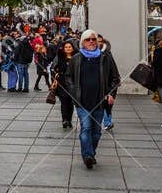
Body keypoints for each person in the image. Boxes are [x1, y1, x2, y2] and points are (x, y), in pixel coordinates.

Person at [70, 30, 120, 169]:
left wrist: (111, 94)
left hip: (100, 101)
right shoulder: (76, 58)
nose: (91, 41)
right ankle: (88, 156)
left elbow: (115, 78)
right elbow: (69, 77)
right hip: (82, 101)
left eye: (93, 39)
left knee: (96, 132)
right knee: (86, 128)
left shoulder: (106, 58)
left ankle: (91, 152)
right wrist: (73, 91)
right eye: (88, 39)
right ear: (82, 43)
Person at [51, 37, 79, 129]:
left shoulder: (76, 58)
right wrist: (56, 74)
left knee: (70, 102)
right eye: (66, 47)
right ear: (63, 48)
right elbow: (53, 68)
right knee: (64, 102)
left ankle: (69, 119)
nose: (68, 48)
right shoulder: (59, 57)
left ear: (73, 48)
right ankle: (64, 120)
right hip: (62, 82)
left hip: (72, 83)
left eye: (69, 47)